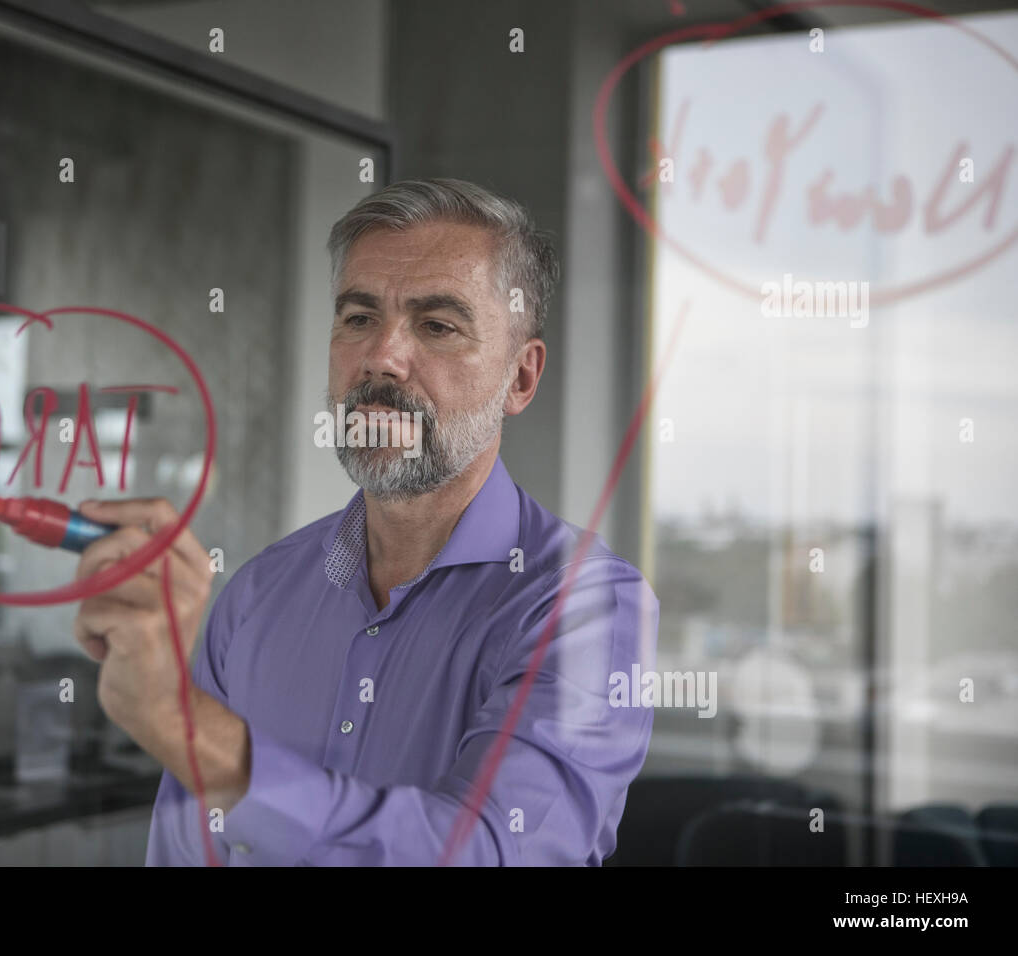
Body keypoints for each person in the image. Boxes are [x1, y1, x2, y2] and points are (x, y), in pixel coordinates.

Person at [71, 178, 659, 866]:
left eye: (437, 326)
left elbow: (487, 852)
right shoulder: (256, 595)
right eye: (357, 318)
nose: (381, 356)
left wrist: (187, 729)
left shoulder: (588, 609)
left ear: (520, 378)